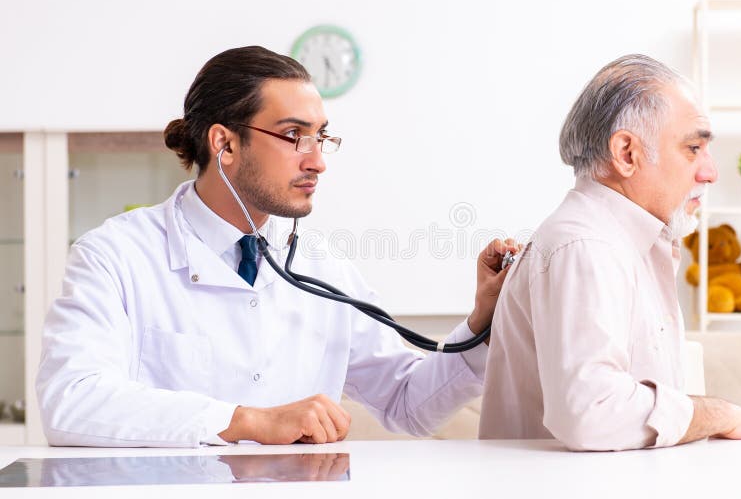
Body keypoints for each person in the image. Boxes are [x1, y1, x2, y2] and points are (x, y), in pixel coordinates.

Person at [36, 46, 516, 447]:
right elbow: (71, 400)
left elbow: (409, 405)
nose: (317, 162)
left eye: (320, 137)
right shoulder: (116, 255)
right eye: (293, 136)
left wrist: (482, 323)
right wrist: (249, 420)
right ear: (224, 144)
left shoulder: (323, 268)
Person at [479, 54, 741, 451]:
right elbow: (591, 411)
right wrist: (720, 414)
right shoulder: (587, 246)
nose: (710, 172)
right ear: (626, 153)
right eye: (693, 148)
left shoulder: (625, 242)